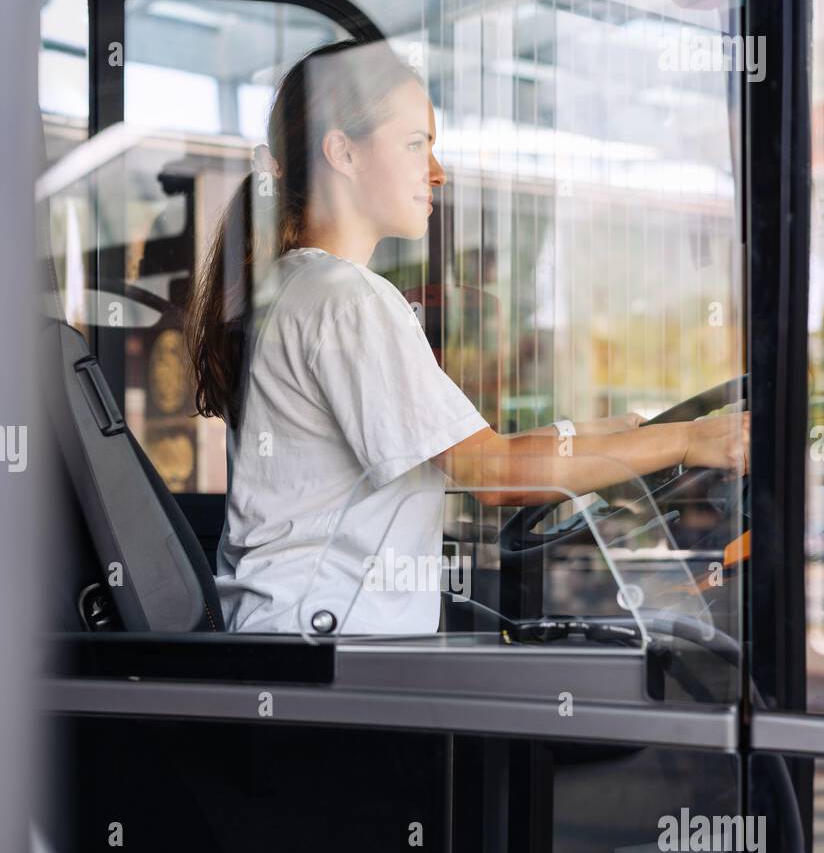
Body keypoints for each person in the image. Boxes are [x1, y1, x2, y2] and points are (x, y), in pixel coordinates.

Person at [186, 38, 748, 636]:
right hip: (328, 656)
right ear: (342, 153)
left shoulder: (299, 286)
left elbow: (463, 453)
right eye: (414, 146)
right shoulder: (347, 299)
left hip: (296, 638)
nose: (437, 172)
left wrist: (589, 436)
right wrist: (689, 442)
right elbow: (493, 475)